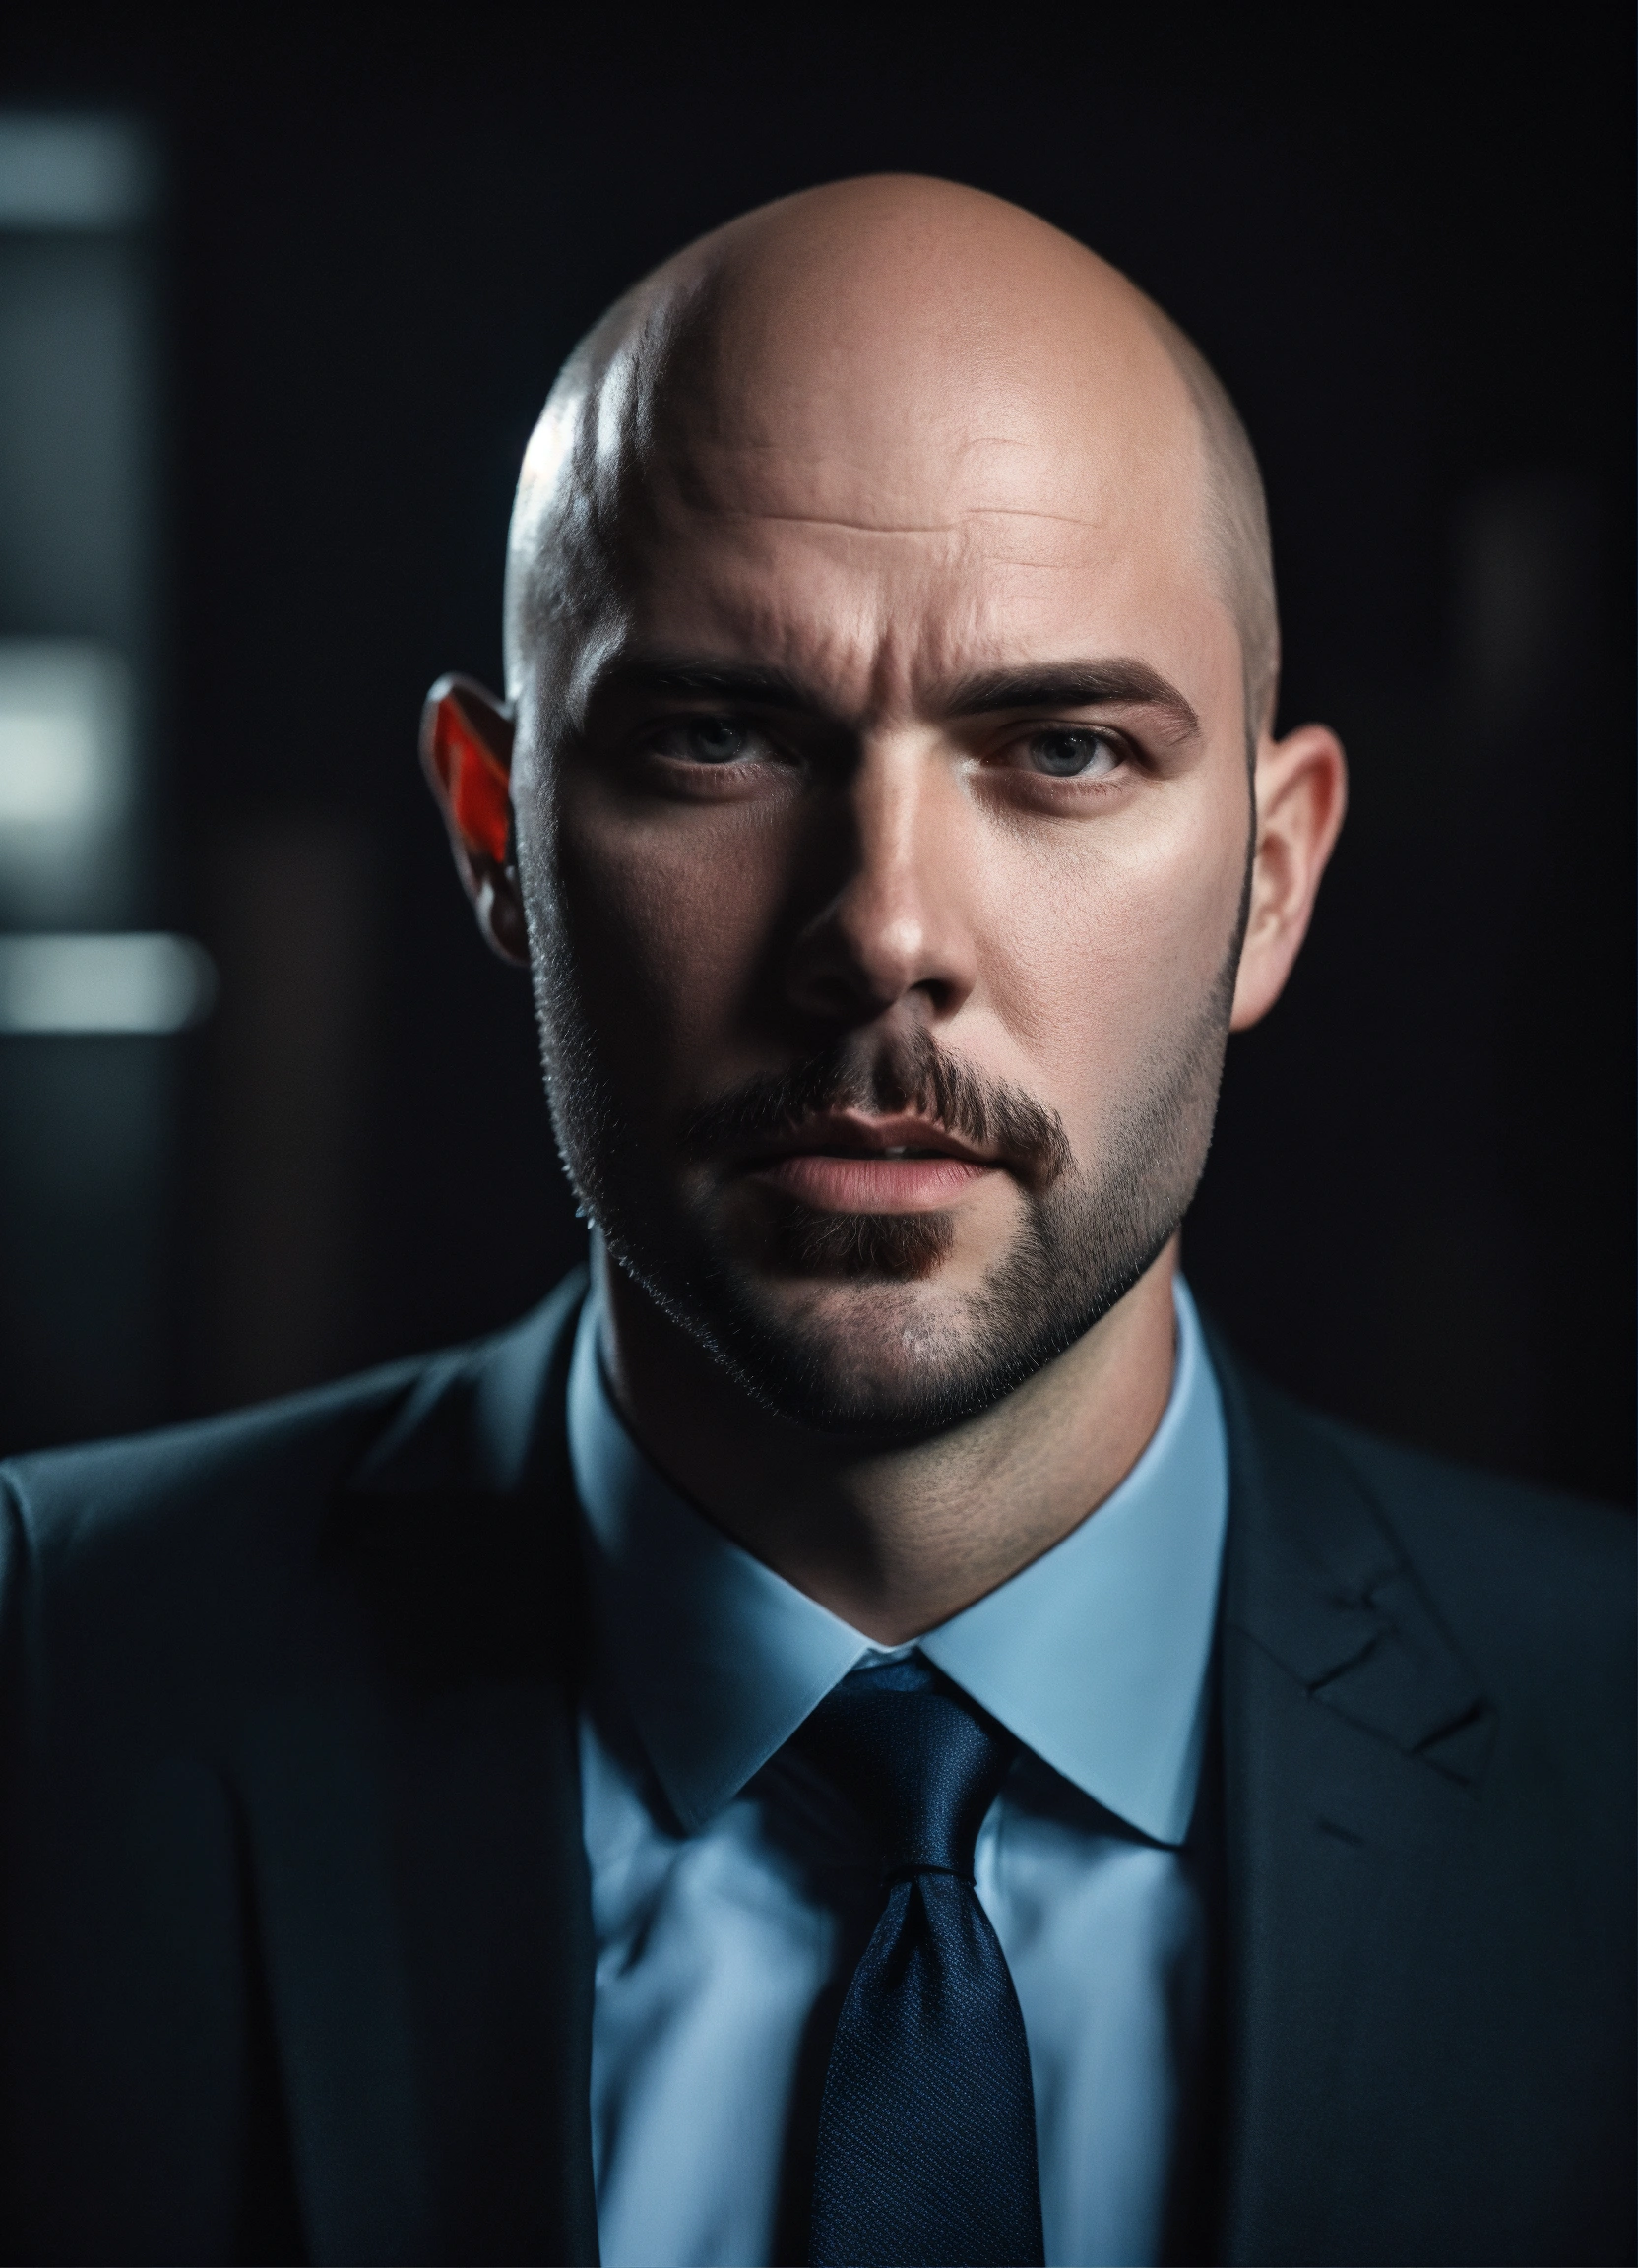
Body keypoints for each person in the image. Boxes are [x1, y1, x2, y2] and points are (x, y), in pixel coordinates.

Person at [0, 176, 1629, 2268]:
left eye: (1058, 748)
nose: (880, 931)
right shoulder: (50, 1704)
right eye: (715, 738)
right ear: (497, 837)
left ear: (1274, 875)